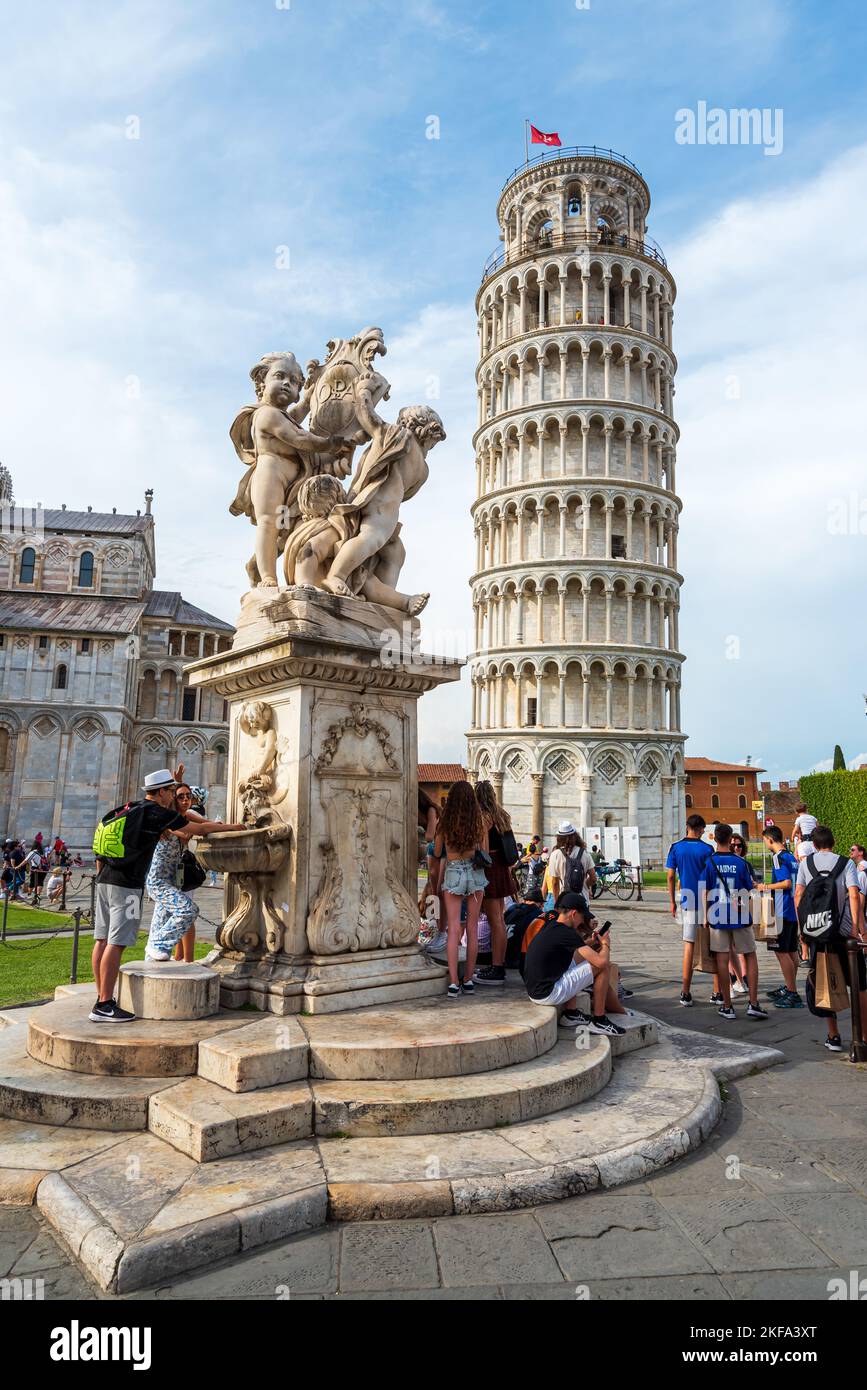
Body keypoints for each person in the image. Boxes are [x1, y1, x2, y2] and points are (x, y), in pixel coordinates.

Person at [91, 769, 192, 1022]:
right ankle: (104, 1004)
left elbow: (99, 851)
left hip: (105, 879)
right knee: (117, 942)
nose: (172, 795)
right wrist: (233, 826)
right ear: (161, 793)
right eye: (170, 791)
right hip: (127, 884)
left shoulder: (127, 809)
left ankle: (101, 997)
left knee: (102, 940)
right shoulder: (154, 812)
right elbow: (196, 829)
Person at [145, 786, 242, 963]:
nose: (185, 800)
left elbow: (206, 825)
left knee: (158, 925)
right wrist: (211, 827)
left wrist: (227, 827)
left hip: (174, 881)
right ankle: (160, 945)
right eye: (181, 797)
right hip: (158, 881)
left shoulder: (187, 815)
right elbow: (190, 832)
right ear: (174, 798)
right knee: (188, 910)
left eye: (188, 797)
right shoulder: (167, 819)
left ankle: (150, 963)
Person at [795, 824, 867, 1052]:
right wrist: (855, 927)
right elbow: (854, 895)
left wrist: (803, 931)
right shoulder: (846, 863)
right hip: (843, 932)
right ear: (833, 842)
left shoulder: (806, 864)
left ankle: (833, 1035)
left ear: (814, 845)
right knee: (860, 985)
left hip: (819, 932)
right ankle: (863, 1036)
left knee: (825, 983)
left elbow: (798, 896)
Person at [523, 892, 626, 1036]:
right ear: (573, 913)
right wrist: (605, 944)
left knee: (580, 957)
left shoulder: (553, 925)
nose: (582, 921)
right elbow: (601, 962)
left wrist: (592, 943)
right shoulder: (567, 933)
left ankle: (570, 1014)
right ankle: (599, 1020)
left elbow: (578, 949)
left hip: (536, 989)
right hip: (548, 993)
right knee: (602, 967)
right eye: (582, 916)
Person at [702, 823, 768, 1021]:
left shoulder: (710, 862)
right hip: (739, 915)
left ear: (715, 839)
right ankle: (753, 1003)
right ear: (731, 839)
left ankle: (728, 1006)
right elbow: (749, 889)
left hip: (717, 914)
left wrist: (705, 916)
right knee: (750, 955)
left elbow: (704, 891)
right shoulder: (740, 863)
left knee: (722, 959)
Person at [433, 780, 488, 998]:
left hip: (454, 871)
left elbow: (437, 852)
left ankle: (454, 982)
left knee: (454, 929)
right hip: (475, 872)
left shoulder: (445, 822)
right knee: (473, 929)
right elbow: (483, 851)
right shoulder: (479, 821)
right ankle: (469, 979)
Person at [666, 813, 717, 1006]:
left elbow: (671, 876)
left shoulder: (676, 847)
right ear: (701, 829)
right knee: (714, 946)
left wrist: (672, 901)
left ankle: (685, 992)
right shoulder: (707, 849)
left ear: (687, 826)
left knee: (689, 945)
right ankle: (717, 992)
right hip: (708, 901)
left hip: (688, 900)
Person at [474, 780, 519, 985]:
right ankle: (498, 964)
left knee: (495, 921)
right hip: (502, 867)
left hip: (491, 869)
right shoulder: (502, 815)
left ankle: (497, 967)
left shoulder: (484, 817)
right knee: (499, 919)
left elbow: (483, 849)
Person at [756, 826, 803, 1008]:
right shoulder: (791, 857)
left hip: (782, 910)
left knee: (781, 952)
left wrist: (764, 886)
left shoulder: (778, 857)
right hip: (792, 910)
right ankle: (789, 986)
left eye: (764, 841)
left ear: (769, 839)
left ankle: (792, 992)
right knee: (791, 952)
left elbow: (786, 883)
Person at [728, 834, 757, 997]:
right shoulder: (726, 862)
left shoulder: (745, 864)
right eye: (733, 846)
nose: (736, 848)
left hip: (742, 908)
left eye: (739, 845)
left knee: (744, 948)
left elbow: (751, 886)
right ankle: (733, 979)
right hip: (726, 909)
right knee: (728, 946)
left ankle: (743, 978)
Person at [545, 822, 596, 906]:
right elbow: (593, 878)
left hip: (564, 900)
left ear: (559, 838)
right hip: (582, 900)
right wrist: (585, 886)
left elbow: (554, 883)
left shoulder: (555, 854)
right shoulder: (585, 853)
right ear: (575, 836)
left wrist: (557, 903)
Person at [504, 886, 545, 970]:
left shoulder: (512, 908)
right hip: (520, 961)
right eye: (541, 904)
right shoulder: (538, 914)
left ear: (525, 901)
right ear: (539, 903)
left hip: (502, 958)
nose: (542, 906)